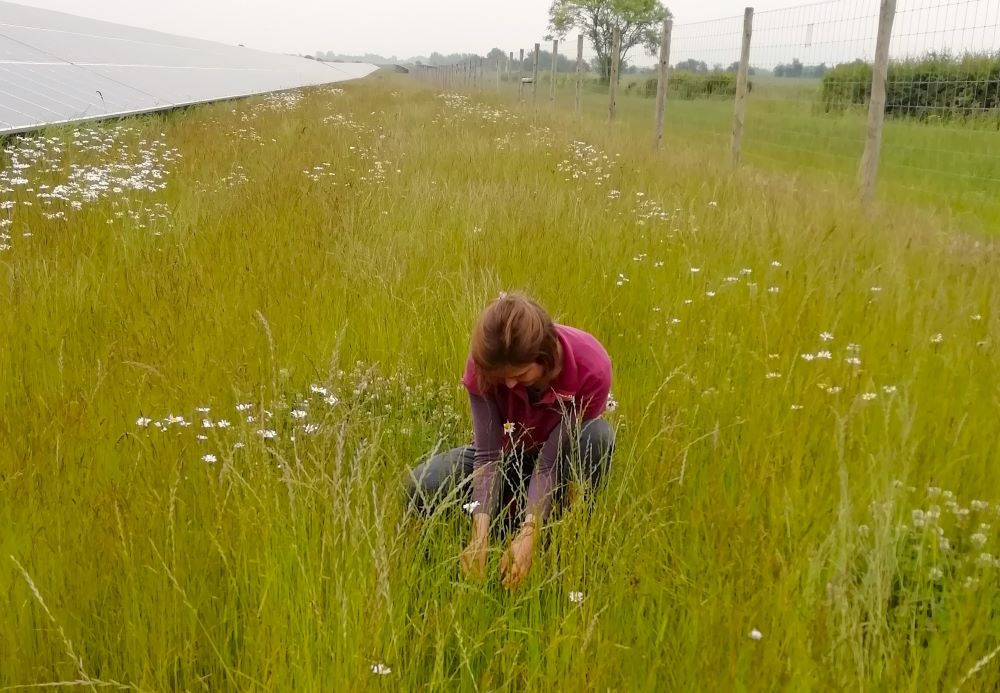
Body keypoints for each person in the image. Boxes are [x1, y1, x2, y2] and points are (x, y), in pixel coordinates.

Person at [406, 292, 615, 590]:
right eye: (501, 378)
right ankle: (496, 520)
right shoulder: (485, 363)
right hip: (506, 454)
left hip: (557, 461)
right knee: (422, 484)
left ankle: (565, 534)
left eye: (520, 375)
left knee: (598, 438)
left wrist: (530, 532)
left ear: (546, 358)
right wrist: (479, 536)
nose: (510, 385)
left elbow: (549, 465)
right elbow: (488, 455)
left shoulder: (591, 367)